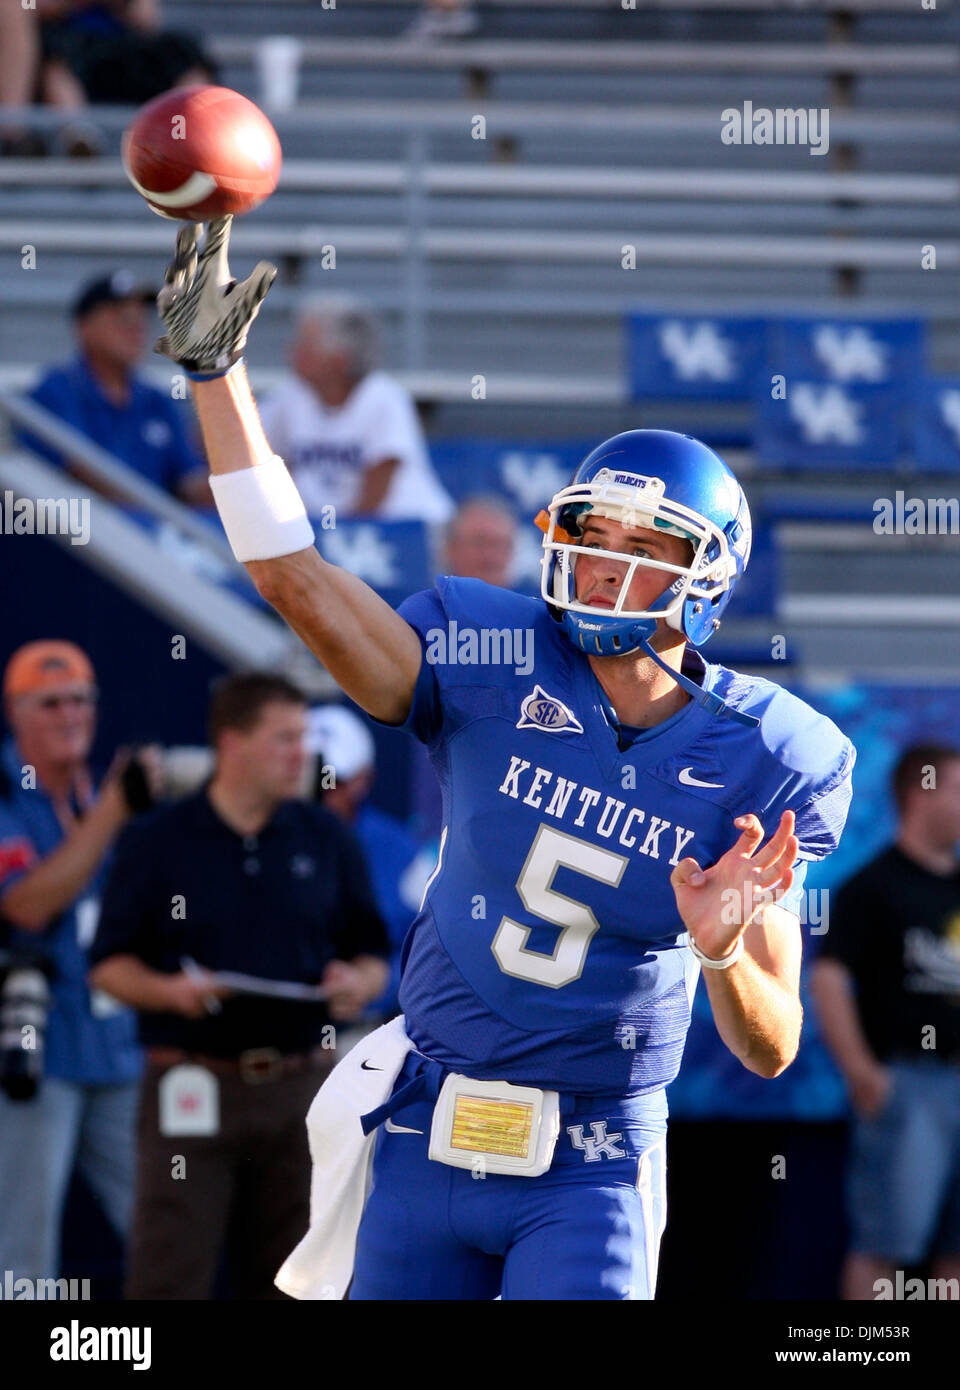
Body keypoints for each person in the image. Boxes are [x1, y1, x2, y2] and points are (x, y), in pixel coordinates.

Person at [148, 217, 856, 1301]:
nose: (608, 563)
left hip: (593, 1156)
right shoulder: (491, 650)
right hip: (429, 1121)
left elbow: (770, 1046)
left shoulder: (768, 751)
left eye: (646, 544)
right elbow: (296, 578)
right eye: (594, 533)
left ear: (709, 578)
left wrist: (721, 948)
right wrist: (216, 377)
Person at [88, 672, 390, 1300]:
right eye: (284, 739)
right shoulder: (157, 841)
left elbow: (372, 954)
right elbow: (108, 964)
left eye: (303, 738)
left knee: (296, 1280)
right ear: (233, 743)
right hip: (191, 1087)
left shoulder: (326, 836)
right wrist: (170, 992)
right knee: (169, 1277)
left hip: (301, 1088)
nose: (301, 755)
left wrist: (354, 982)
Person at [0, 640, 145, 1287]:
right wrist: (113, 813)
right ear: (15, 712)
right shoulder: (10, 791)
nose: (69, 715)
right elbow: (27, 905)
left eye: (81, 700)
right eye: (50, 702)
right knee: (23, 1246)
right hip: (32, 1048)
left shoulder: (100, 795)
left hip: (116, 1046)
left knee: (161, 1220)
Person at [811, 743, 960, 1301]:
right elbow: (828, 979)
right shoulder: (871, 887)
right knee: (886, 1247)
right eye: (957, 787)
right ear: (920, 793)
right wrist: (862, 1072)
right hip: (908, 1085)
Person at [258, 294, 454, 524]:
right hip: (326, 533)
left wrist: (331, 538)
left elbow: (376, 493)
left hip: (402, 530)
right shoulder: (288, 396)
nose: (293, 352)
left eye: (306, 346)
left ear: (340, 358)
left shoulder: (383, 397)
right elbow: (255, 464)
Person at [17, 271, 210, 503]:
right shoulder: (55, 392)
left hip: (159, 530)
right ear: (84, 327)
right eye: (122, 317)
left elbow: (189, 479)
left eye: (141, 317)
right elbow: (80, 473)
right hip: (91, 534)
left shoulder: (156, 400)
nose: (135, 327)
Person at [307, 702, 434, 1018]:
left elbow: (429, 953)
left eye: (335, 781)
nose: (323, 792)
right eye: (314, 780)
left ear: (364, 779)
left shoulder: (401, 851)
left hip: (368, 1027)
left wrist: (369, 985)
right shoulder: (262, 840)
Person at [440, 495, 519, 589]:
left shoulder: (529, 602)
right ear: (451, 549)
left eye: (500, 545)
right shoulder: (424, 602)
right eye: (479, 543)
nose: (490, 556)